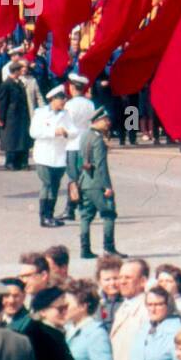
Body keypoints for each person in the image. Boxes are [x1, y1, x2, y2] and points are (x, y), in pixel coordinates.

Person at [30, 85, 76, 228]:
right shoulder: (40, 113)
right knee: (47, 184)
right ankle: (43, 216)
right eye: (61, 100)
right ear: (52, 100)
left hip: (59, 155)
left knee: (55, 186)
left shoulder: (66, 114)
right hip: (44, 155)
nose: (63, 102)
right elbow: (34, 132)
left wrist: (67, 132)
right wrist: (53, 132)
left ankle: (50, 215)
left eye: (64, 100)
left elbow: (74, 131)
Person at [77, 107, 119, 259]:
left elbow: (79, 159)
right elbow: (101, 165)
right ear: (98, 121)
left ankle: (85, 249)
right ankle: (109, 248)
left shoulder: (84, 136)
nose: (108, 123)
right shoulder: (97, 139)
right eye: (106, 120)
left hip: (85, 181)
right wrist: (107, 186)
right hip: (97, 182)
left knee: (86, 216)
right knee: (109, 213)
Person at [59, 74, 96, 221]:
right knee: (85, 177)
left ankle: (70, 209)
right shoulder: (90, 104)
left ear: (72, 87)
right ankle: (84, 207)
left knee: (73, 178)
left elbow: (65, 124)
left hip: (73, 144)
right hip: (86, 142)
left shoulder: (69, 105)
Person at [0, 60, 34, 170]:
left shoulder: (20, 83)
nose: (22, 72)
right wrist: (1, 117)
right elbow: (2, 102)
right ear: (15, 71)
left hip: (21, 115)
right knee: (12, 140)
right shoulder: (6, 84)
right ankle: (10, 162)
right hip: (11, 116)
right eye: (20, 70)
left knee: (22, 139)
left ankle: (22, 162)